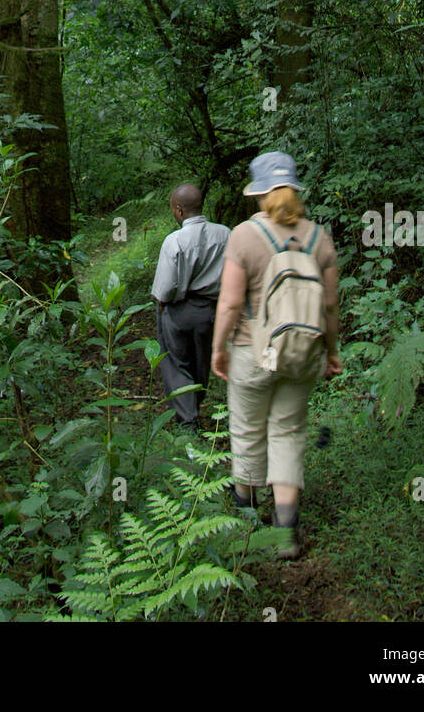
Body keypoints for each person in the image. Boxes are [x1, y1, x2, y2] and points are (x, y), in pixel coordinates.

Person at [211, 152, 341, 556]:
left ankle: (248, 530)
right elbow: (331, 307)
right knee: (287, 434)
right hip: (302, 355)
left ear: (258, 193)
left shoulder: (244, 236)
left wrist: (218, 349)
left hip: (252, 352)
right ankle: (285, 536)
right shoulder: (320, 238)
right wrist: (331, 352)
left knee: (247, 434)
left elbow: (230, 304)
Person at [151, 183, 230, 430]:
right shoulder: (225, 234)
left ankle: (187, 421)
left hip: (179, 310)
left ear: (180, 210)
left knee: (177, 363)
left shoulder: (174, 241)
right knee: (201, 360)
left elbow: (164, 289)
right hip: (211, 310)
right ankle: (195, 402)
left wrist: (162, 306)